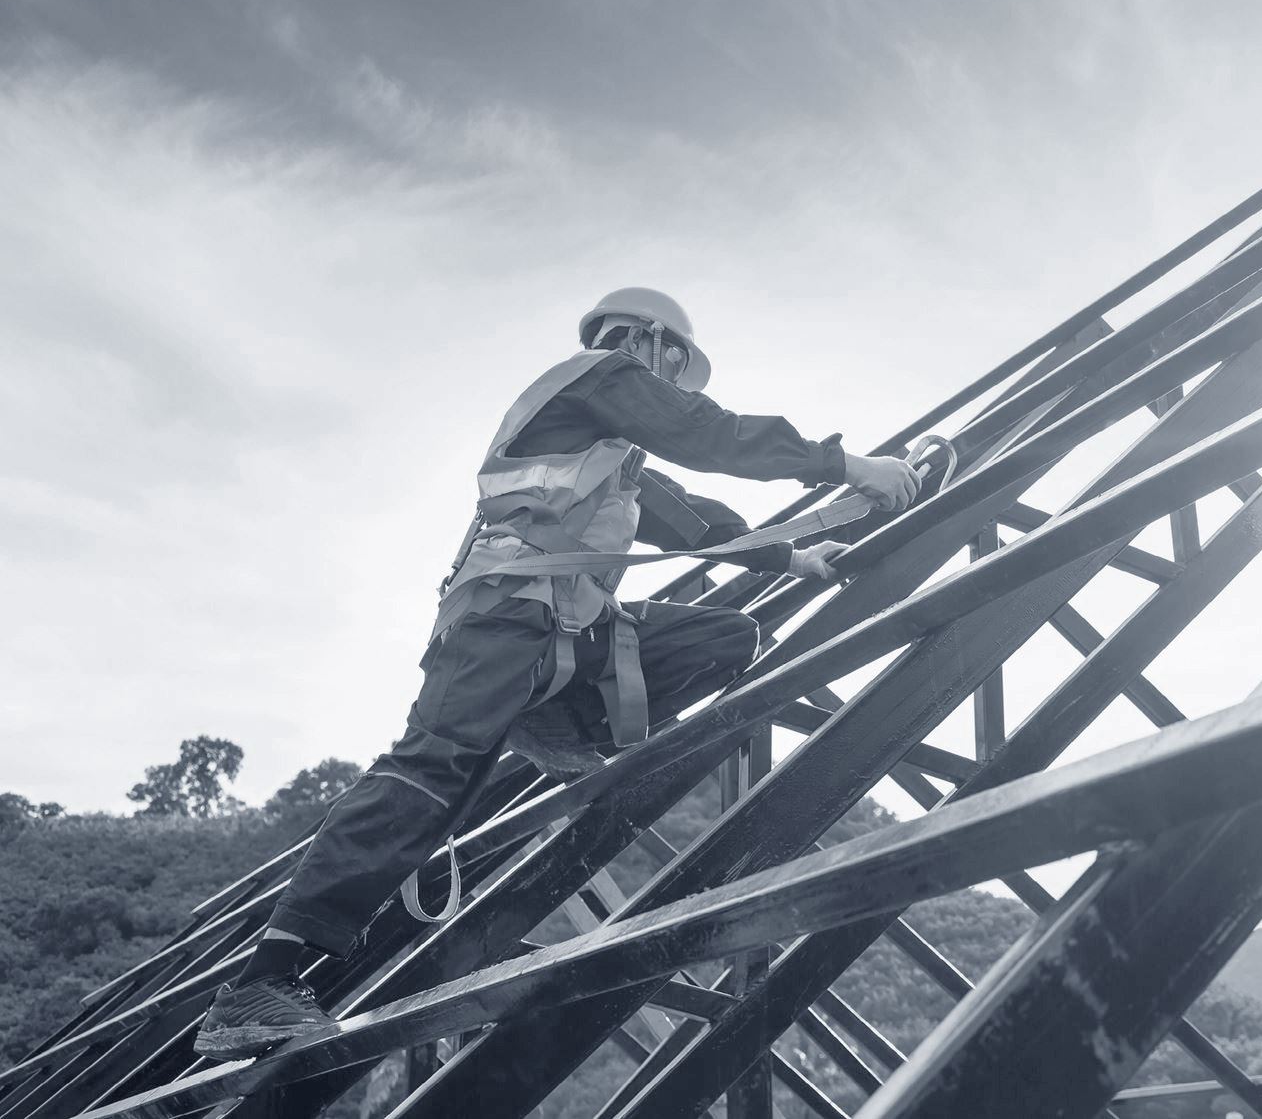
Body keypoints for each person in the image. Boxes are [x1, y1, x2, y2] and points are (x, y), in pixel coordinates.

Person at [193, 287, 920, 1060]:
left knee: (725, 636)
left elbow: (698, 519)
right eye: (676, 365)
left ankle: (561, 721)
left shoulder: (609, 449)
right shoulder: (598, 375)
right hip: (501, 622)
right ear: (649, 343)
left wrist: (795, 554)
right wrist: (843, 462)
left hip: (565, 640)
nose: (677, 383)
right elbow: (710, 435)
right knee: (428, 775)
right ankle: (259, 984)